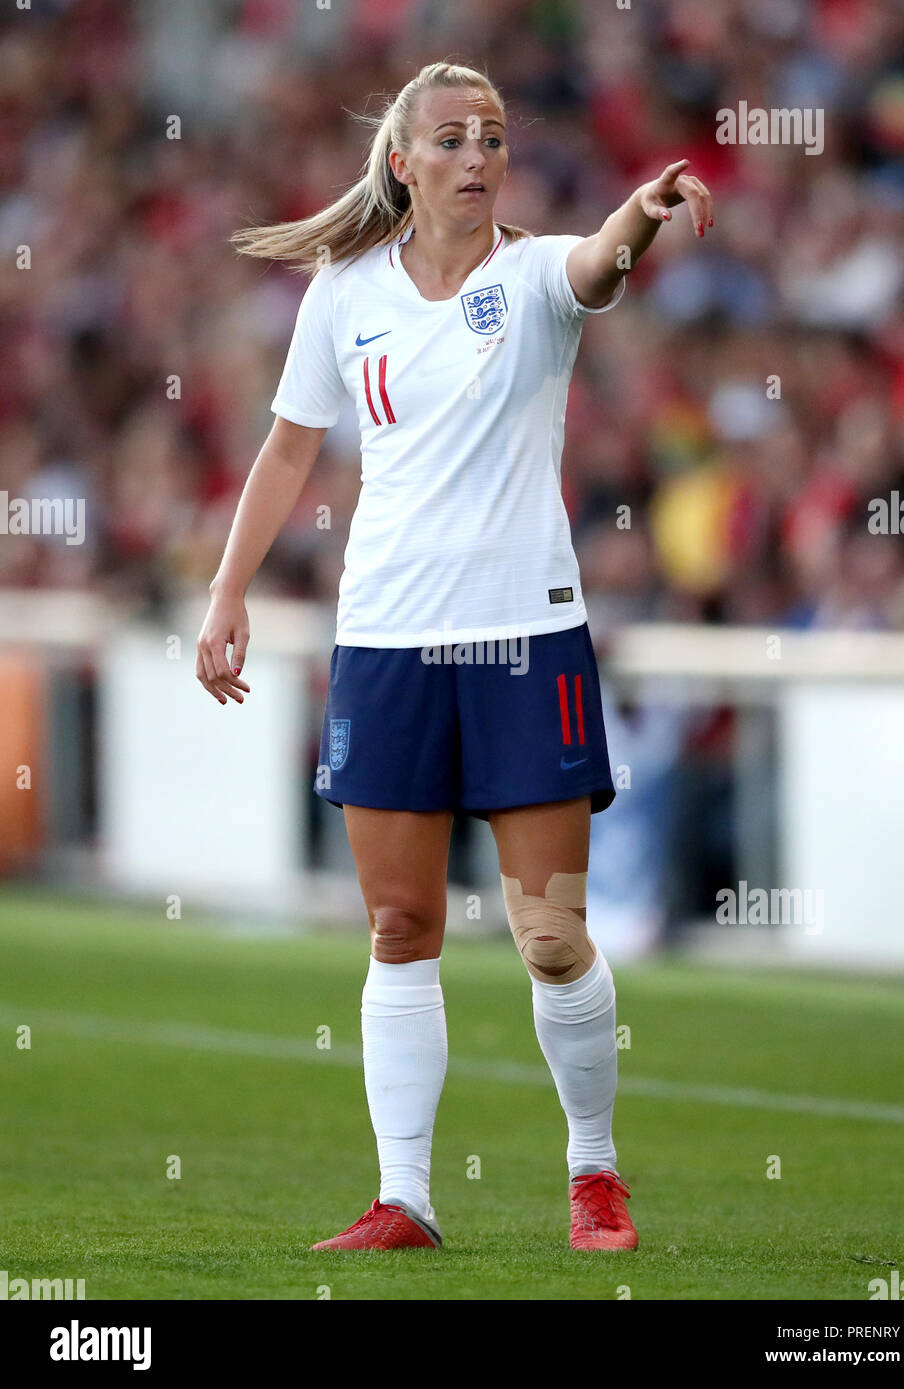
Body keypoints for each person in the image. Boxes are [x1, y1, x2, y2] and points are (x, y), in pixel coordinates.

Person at [196, 60, 713, 1252]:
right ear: (403, 162)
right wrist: (226, 590)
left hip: (526, 637)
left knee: (549, 933)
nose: (478, 155)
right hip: (385, 638)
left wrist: (635, 215)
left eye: (491, 136)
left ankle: (593, 1173)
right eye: (451, 138)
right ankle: (405, 1199)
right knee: (396, 926)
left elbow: (599, 264)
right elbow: (285, 455)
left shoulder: (534, 277)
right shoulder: (343, 293)